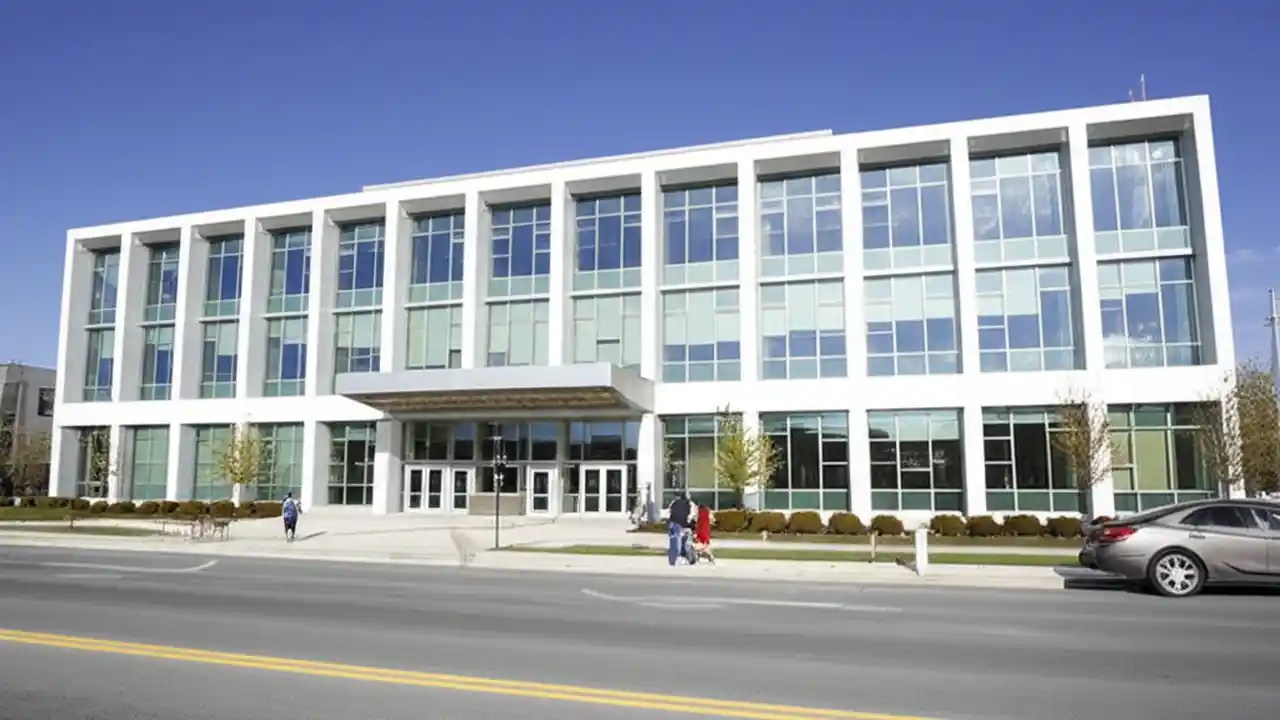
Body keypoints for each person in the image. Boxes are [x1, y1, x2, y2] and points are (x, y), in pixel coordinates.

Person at [666, 492, 692, 566]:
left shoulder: (675, 502)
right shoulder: (687, 505)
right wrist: (687, 525)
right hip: (679, 525)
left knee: (673, 542)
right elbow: (685, 516)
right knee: (679, 541)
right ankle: (678, 558)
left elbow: (671, 512)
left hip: (672, 524)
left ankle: (672, 560)